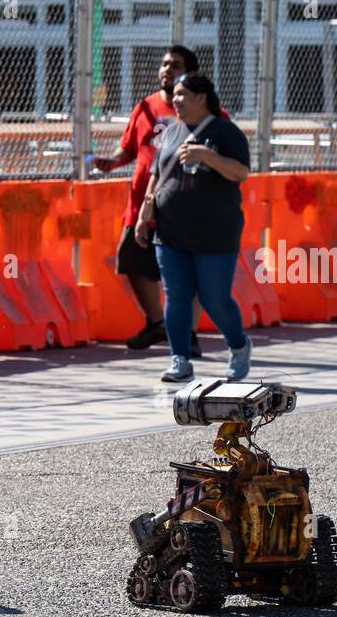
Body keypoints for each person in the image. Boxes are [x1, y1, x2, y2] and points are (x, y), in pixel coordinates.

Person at [136, 74, 252, 383]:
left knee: (214, 298)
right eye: (173, 95)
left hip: (215, 232)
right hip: (170, 230)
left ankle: (238, 346)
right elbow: (156, 174)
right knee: (175, 296)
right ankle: (180, 360)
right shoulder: (171, 132)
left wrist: (207, 156)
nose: (175, 100)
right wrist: (144, 211)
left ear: (201, 97)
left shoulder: (225, 132)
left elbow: (240, 172)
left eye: (182, 94)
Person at [91, 46, 205, 356]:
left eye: (175, 65)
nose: (167, 69)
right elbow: (128, 149)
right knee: (131, 259)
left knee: (188, 270)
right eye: (165, 64)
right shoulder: (144, 108)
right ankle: (158, 323)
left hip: (184, 206)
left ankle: (188, 333)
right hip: (142, 204)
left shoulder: (203, 109)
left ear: (190, 73)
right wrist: (111, 162)